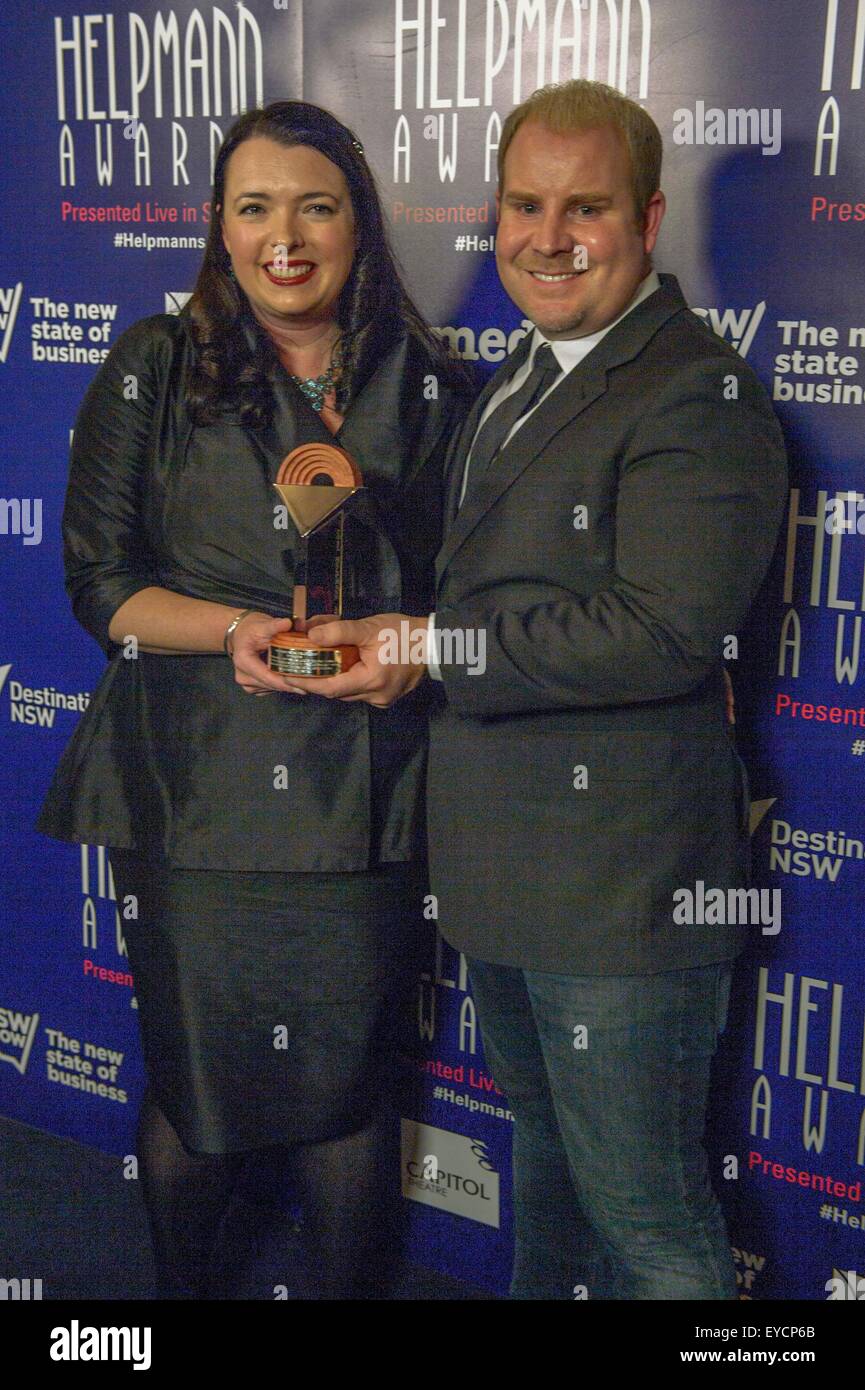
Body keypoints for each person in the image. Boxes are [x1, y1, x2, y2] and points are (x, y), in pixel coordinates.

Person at [279, 79, 789, 1299]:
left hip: (621, 891)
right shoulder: (524, 368)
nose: (547, 236)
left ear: (649, 219)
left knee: (653, 1223)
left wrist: (430, 646)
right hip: (512, 875)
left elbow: (662, 635)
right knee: (554, 1188)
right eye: (523, 204)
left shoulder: (694, 393)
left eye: (586, 208)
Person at [37, 99, 471, 1300]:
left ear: (358, 226)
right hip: (199, 801)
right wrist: (234, 630)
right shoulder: (153, 366)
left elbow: (463, 593)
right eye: (254, 206)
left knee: (348, 1099)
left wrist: (410, 643)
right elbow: (101, 586)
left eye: (315, 206)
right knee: (198, 1099)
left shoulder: (428, 383)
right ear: (219, 230)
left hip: (368, 799)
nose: (286, 235)